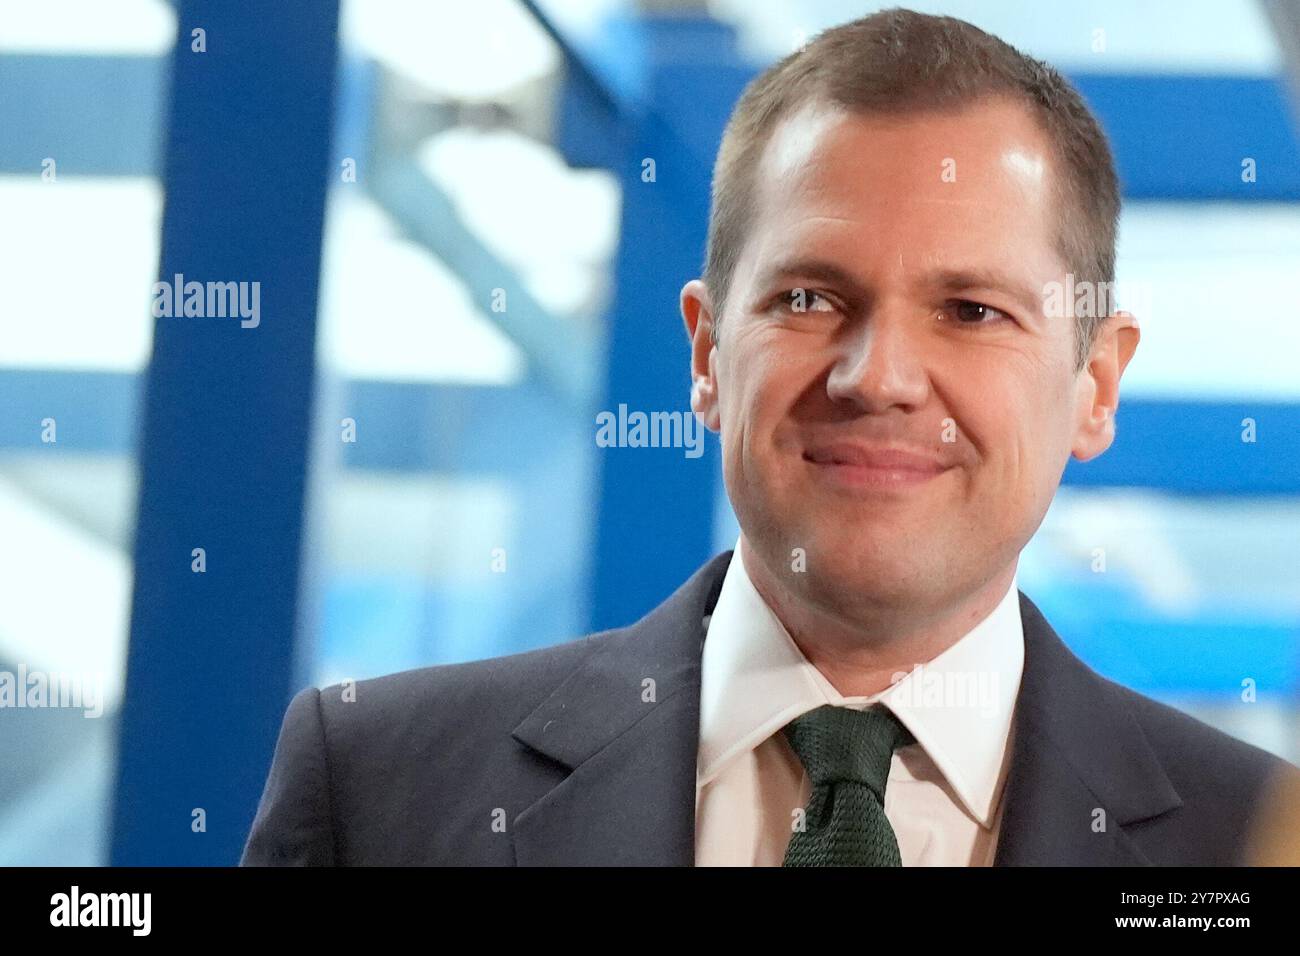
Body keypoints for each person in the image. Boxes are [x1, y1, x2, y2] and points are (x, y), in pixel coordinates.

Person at [241, 7, 1296, 866]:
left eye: (972, 310)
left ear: (1095, 386)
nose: (876, 376)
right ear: (705, 354)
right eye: (807, 296)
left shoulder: (1250, 840)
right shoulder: (380, 790)